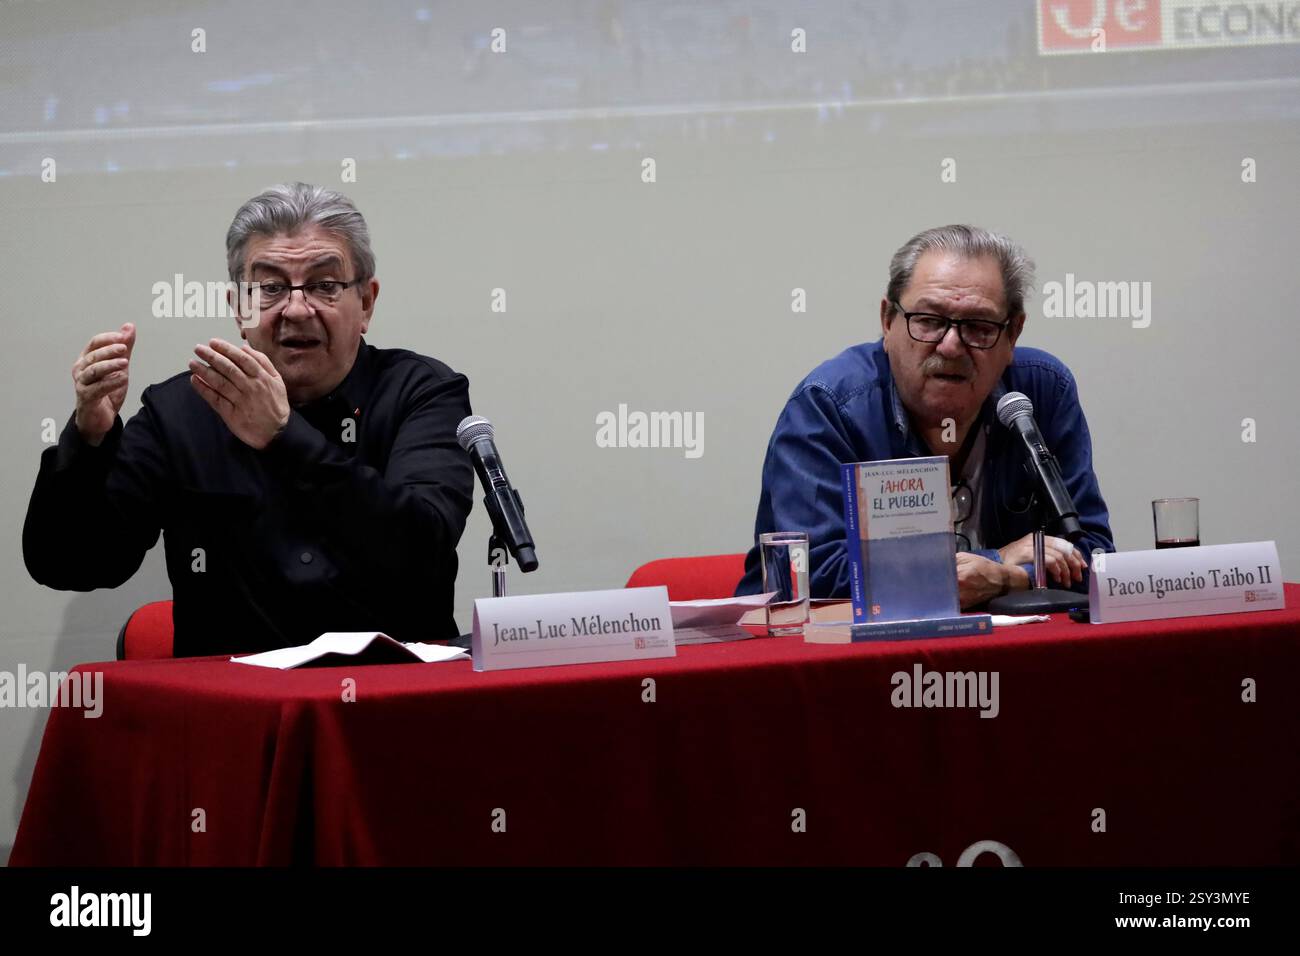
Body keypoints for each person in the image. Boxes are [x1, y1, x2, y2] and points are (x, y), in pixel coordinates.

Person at [23, 183, 474, 656]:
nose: (297, 309)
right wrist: (88, 439)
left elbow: (423, 546)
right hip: (232, 714)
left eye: (324, 285)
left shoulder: (422, 393)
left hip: (393, 706)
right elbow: (74, 564)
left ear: (366, 303)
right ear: (238, 306)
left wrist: (285, 438)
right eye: (271, 288)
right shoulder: (179, 411)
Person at [737, 224, 1113, 608]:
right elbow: (805, 573)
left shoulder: (1041, 394)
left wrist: (1007, 580)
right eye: (929, 321)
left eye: (978, 327)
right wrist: (998, 565)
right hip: (844, 657)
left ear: (1012, 334)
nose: (951, 346)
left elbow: (1094, 555)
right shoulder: (829, 406)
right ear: (887, 321)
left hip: (1006, 652)